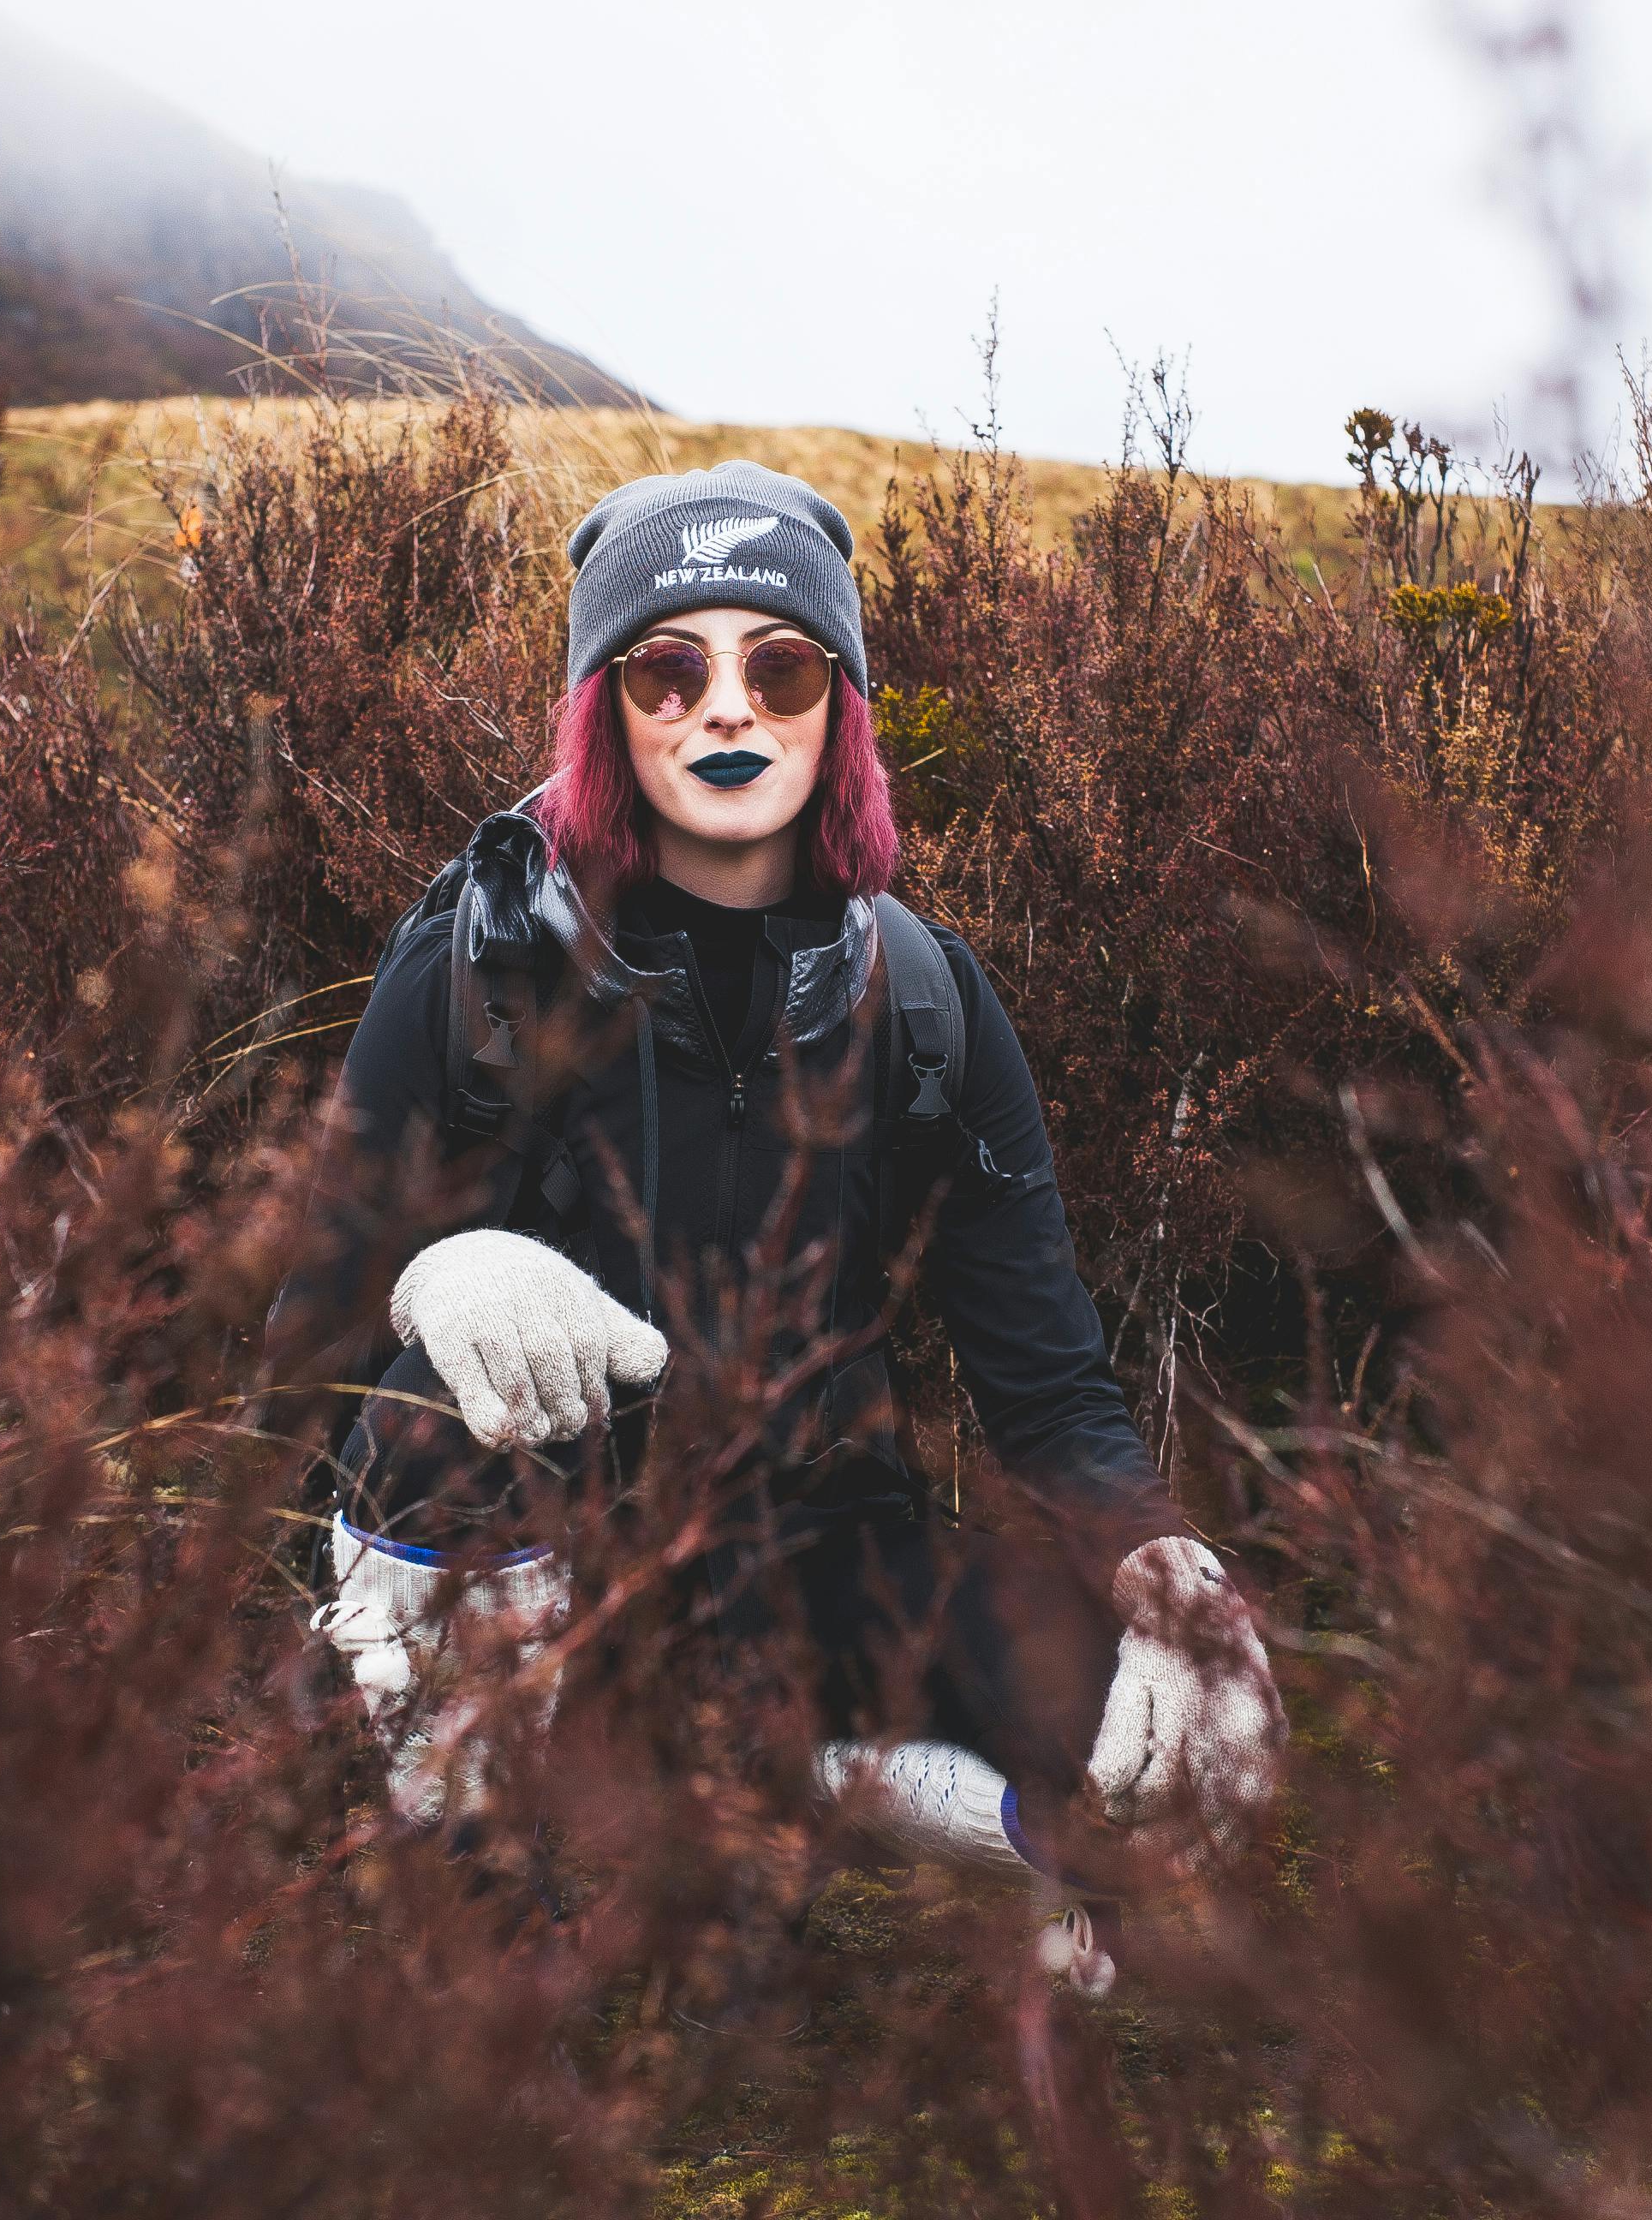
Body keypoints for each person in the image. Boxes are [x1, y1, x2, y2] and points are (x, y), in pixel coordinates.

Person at [263, 461, 1282, 1992]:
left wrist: (1160, 1562)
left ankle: (782, 1778)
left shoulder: (926, 1001)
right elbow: (306, 1351)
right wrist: (432, 1279)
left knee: (1172, 1744)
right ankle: (469, 1889)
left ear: (838, 706)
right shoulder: (482, 970)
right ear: (608, 708)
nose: (726, 709)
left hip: (810, 1568)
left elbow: (1047, 1379)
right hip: (538, 1566)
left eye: (781, 666)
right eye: (670, 668)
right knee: (434, 1422)